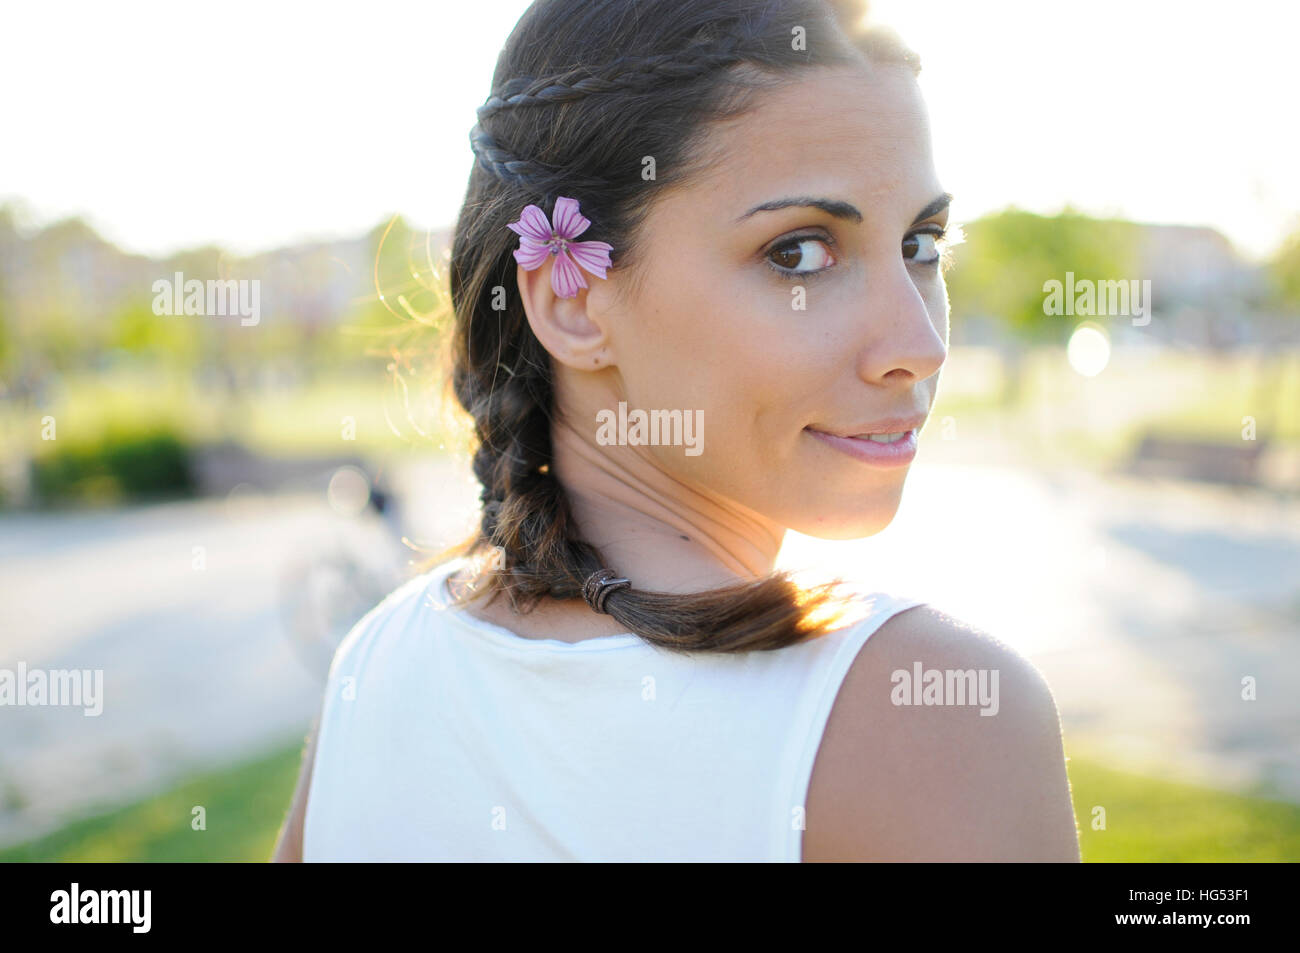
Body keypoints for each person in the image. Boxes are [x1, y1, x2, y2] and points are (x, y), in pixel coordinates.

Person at [273, 0, 1080, 862]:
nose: (919, 347)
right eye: (799, 253)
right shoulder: (945, 722)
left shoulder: (374, 668)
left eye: (922, 243)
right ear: (574, 299)